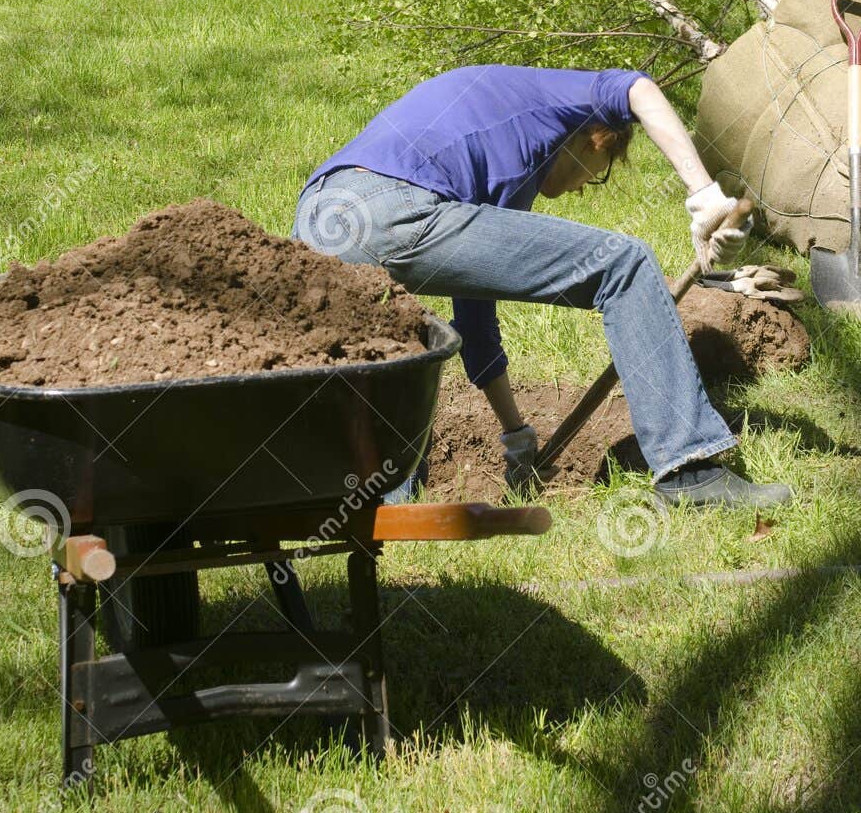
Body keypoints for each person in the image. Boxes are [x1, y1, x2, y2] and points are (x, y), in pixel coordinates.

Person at [292, 64, 792, 511]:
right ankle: (690, 469)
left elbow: (475, 320)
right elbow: (636, 87)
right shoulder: (550, 100)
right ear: (598, 139)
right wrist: (704, 194)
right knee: (626, 263)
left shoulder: (494, 149)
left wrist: (515, 434)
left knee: (397, 346)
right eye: (597, 177)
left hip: (319, 213)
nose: (580, 189)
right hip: (391, 206)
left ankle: (383, 504)